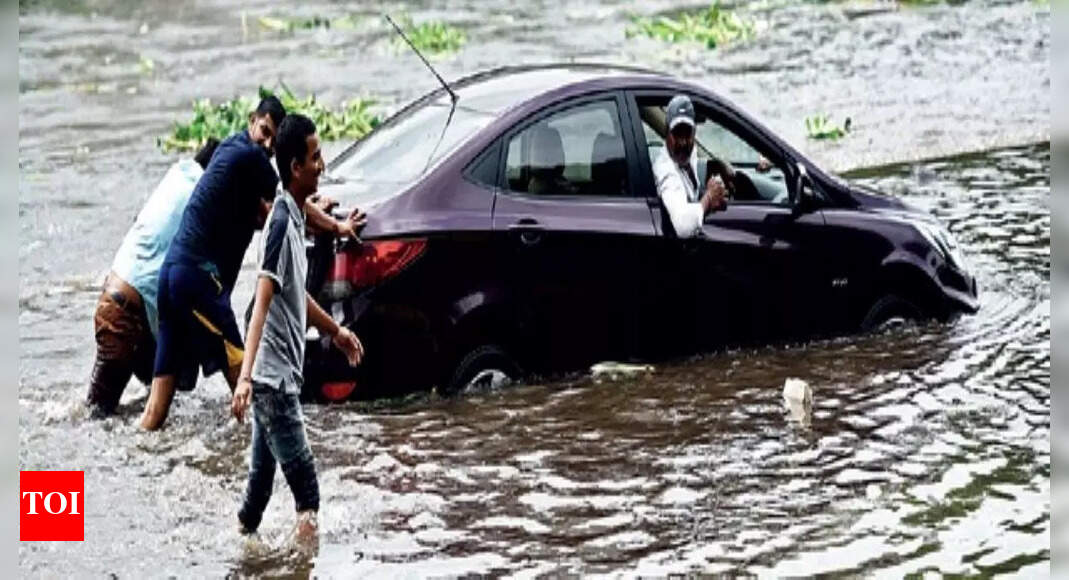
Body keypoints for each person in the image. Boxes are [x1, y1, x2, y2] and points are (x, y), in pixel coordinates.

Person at [231, 114, 364, 541]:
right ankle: (303, 567)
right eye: (316, 157)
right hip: (272, 380)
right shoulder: (281, 225)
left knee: (258, 492)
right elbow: (264, 299)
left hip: (274, 376)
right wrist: (246, 378)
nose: (322, 165)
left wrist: (336, 333)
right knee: (307, 493)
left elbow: (296, 298)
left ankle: (240, 558)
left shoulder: (291, 209)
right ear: (294, 168)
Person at [86, 139, 220, 417]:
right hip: (127, 317)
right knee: (94, 418)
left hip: (117, 305)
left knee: (167, 393)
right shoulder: (202, 196)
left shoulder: (176, 178)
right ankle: (59, 458)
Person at [652, 94, 729, 238]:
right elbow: (683, 226)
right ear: (666, 133)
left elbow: (694, 159)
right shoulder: (666, 172)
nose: (683, 143)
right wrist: (708, 199)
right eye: (677, 134)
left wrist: (718, 166)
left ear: (694, 133)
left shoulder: (686, 154)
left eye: (687, 134)